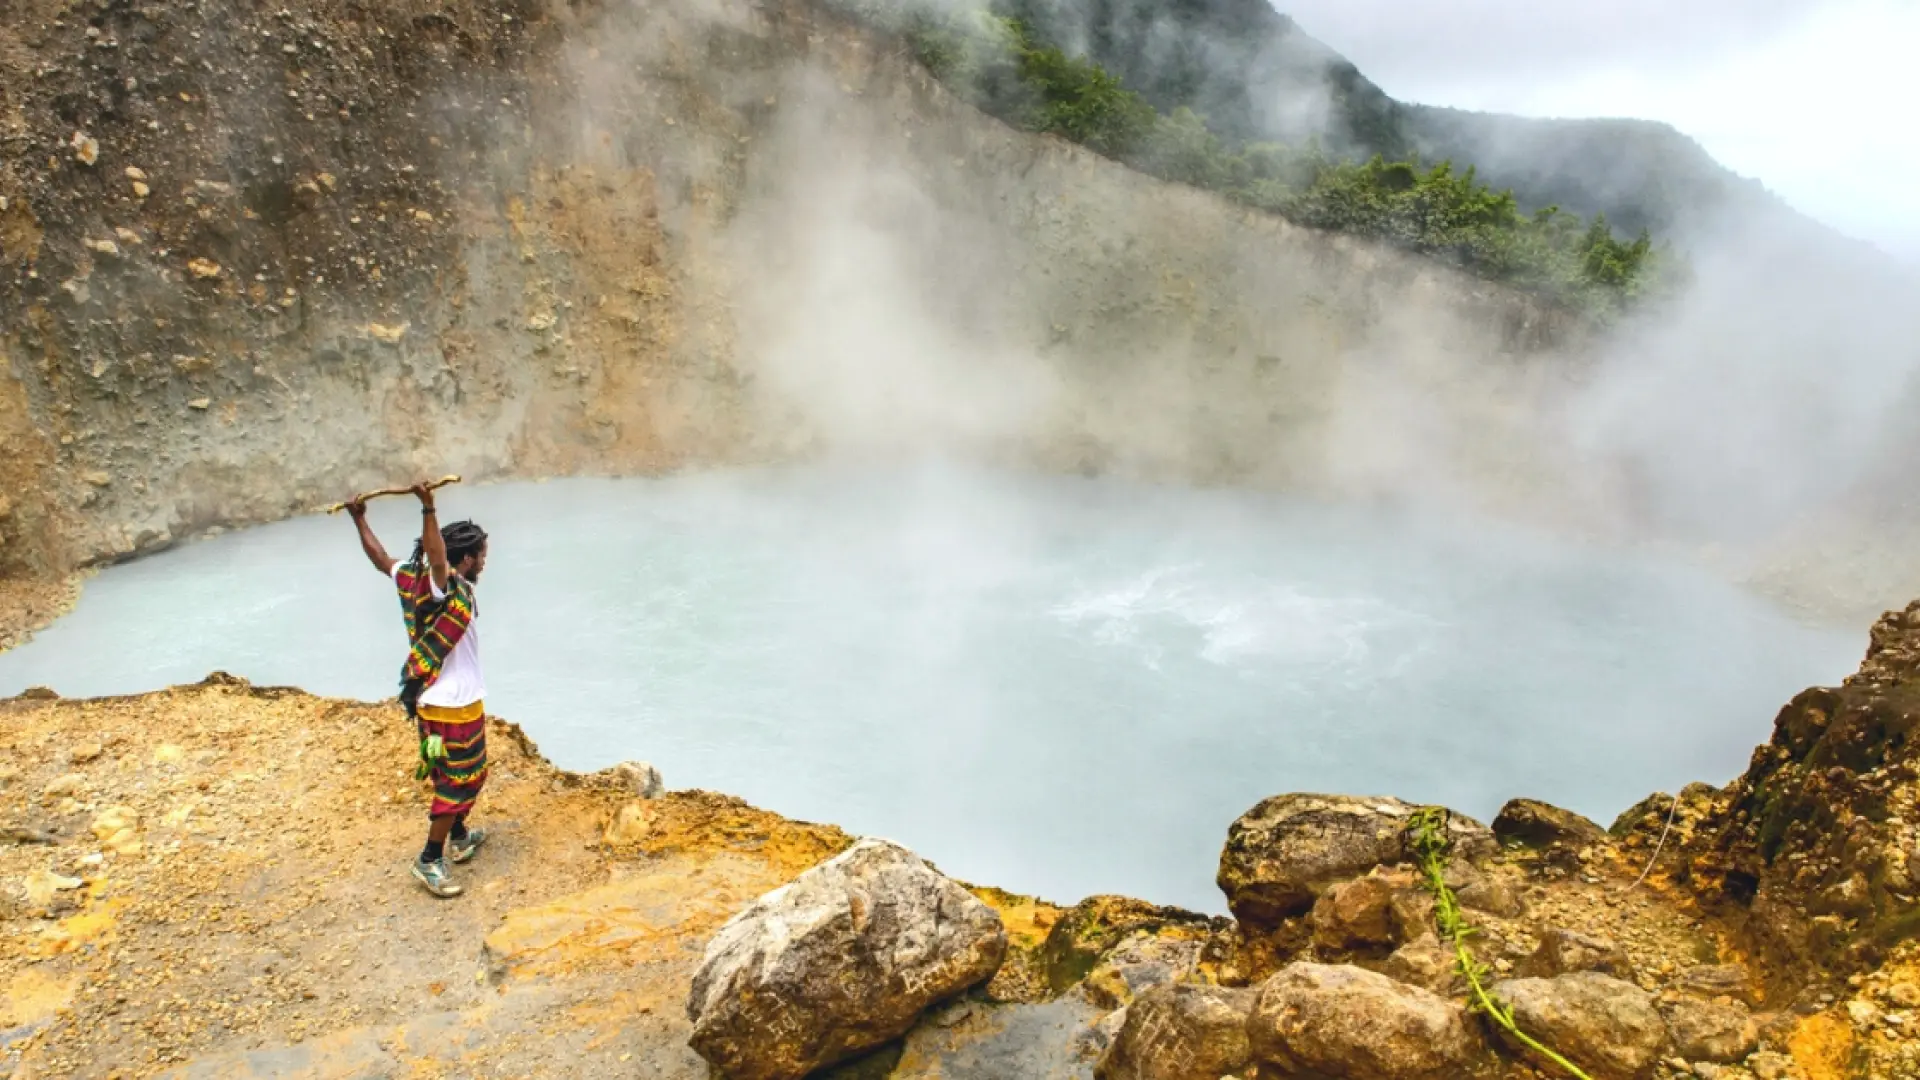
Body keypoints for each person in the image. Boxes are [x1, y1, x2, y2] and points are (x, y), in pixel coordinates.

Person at [345, 482, 491, 897]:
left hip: (462, 700)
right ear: (465, 559)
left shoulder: (409, 577)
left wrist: (360, 520)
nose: (484, 562)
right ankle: (429, 858)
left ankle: (460, 835)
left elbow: (380, 559)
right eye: (481, 555)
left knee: (473, 773)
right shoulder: (438, 587)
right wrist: (429, 508)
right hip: (447, 705)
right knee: (453, 783)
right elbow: (439, 561)